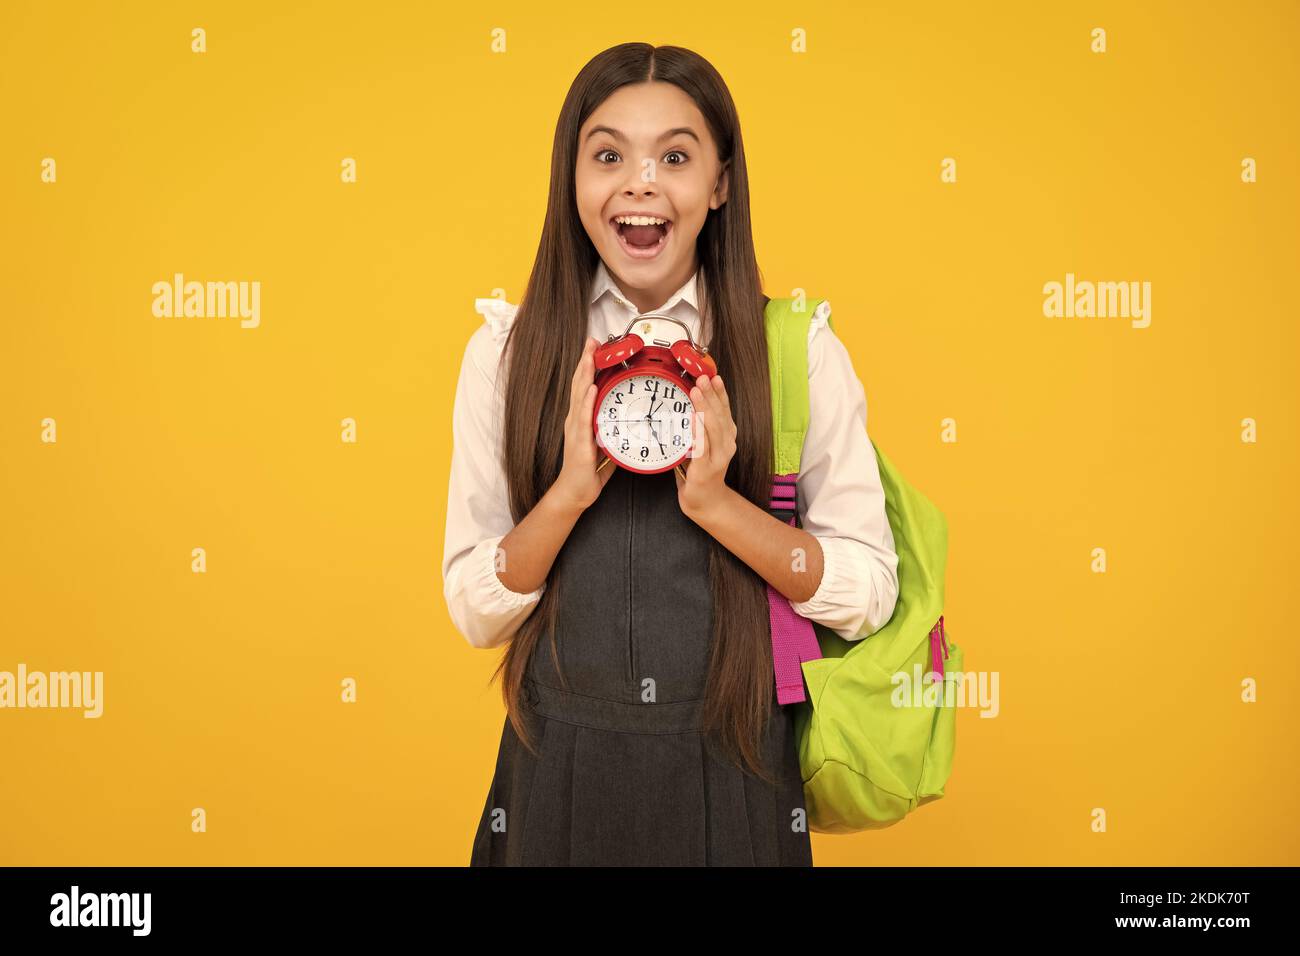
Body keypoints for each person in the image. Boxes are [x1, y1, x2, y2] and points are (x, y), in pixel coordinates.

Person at [442, 42, 899, 866]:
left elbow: (868, 592)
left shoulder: (794, 351)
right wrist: (569, 492)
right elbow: (475, 609)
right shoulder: (509, 353)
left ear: (720, 183)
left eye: (677, 157)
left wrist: (719, 506)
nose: (641, 182)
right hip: (555, 778)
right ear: (572, 179)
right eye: (609, 154)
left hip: (736, 770)